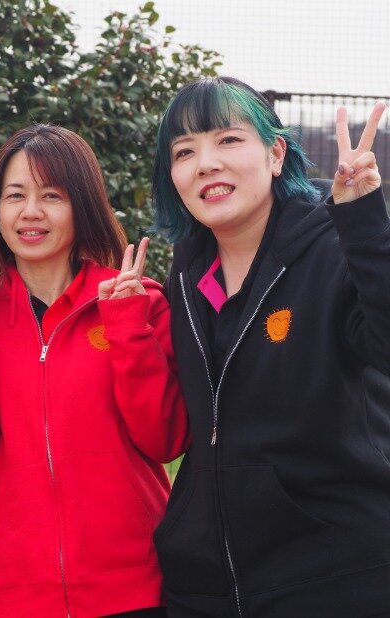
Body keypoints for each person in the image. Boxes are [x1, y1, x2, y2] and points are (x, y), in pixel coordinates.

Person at [150, 76, 390, 616]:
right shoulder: (186, 273)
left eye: (228, 140)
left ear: (276, 154)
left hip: (335, 577)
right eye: (184, 152)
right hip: (208, 585)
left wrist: (366, 224)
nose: (206, 163)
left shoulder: (338, 245)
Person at [0, 124, 190, 618]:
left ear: (82, 206)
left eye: (51, 195)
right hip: (13, 595)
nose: (31, 211)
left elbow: (165, 439)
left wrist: (126, 325)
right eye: (15, 195)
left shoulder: (136, 302)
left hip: (135, 590)